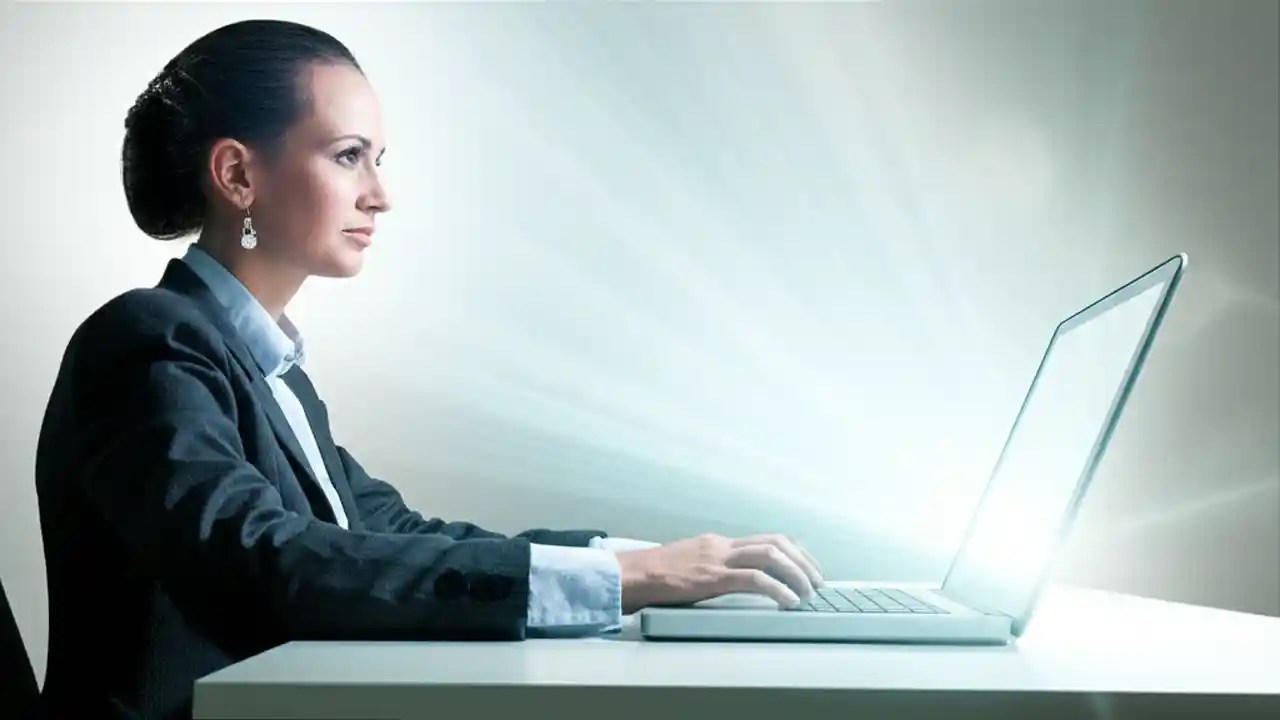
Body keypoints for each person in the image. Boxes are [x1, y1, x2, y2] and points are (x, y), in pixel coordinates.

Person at [34, 19, 825, 720]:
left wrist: (648, 560)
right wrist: (631, 577)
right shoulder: (144, 342)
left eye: (377, 160)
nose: (380, 195)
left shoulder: (269, 371)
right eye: (349, 157)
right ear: (238, 175)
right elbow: (264, 561)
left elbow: (389, 533)